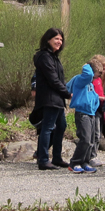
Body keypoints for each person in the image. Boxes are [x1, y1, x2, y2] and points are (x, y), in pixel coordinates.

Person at [33, 28, 71, 170]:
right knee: (48, 127)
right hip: (50, 98)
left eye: (61, 39)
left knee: (61, 126)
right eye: (56, 39)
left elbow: (59, 79)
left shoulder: (53, 57)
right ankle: (43, 159)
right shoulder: (44, 57)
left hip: (57, 98)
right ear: (48, 39)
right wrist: (67, 94)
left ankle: (56, 158)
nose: (59, 42)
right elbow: (53, 80)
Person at [66, 57, 104, 173]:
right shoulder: (81, 80)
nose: (97, 77)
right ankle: (75, 162)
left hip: (91, 113)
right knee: (85, 139)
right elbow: (87, 75)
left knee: (91, 140)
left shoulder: (90, 84)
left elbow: (93, 96)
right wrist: (87, 66)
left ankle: (85, 161)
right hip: (83, 113)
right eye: (96, 74)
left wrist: (96, 104)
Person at [88, 55, 105, 168]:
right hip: (93, 109)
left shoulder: (100, 80)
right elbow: (92, 94)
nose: (103, 72)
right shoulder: (91, 81)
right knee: (94, 133)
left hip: (100, 109)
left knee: (98, 132)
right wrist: (101, 98)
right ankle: (91, 156)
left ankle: (93, 154)